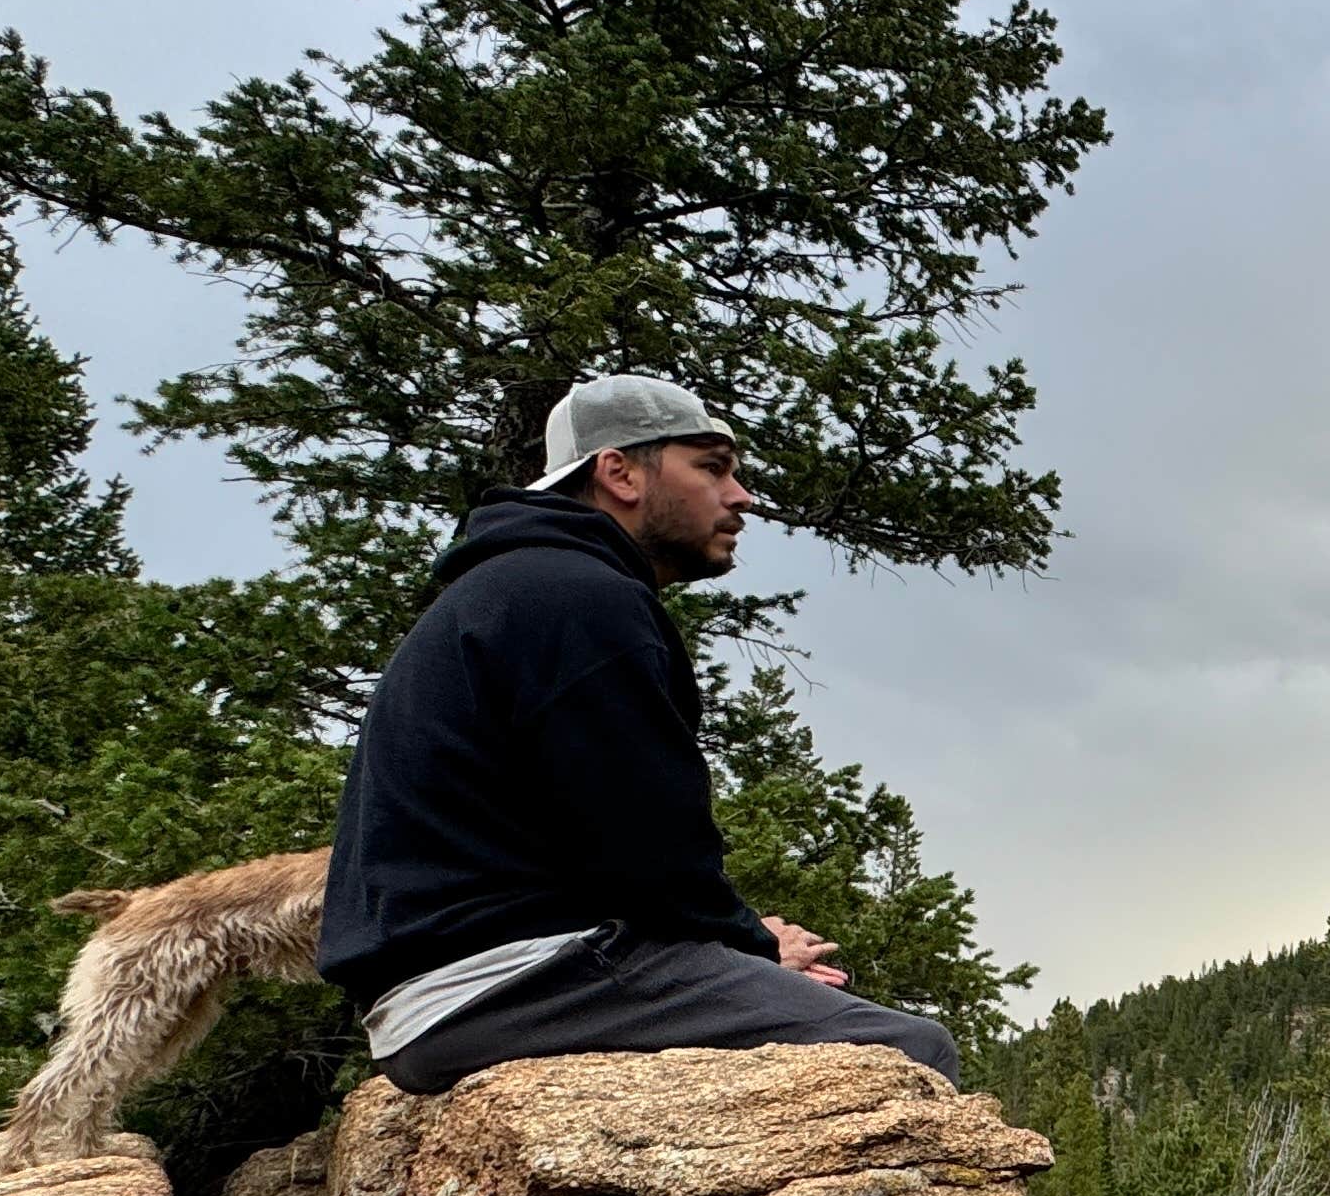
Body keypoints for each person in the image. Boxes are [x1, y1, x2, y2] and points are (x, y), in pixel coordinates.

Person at [317, 372, 962, 1093]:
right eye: (712, 468)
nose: (740, 496)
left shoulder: (512, 589)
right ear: (619, 471)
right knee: (904, 1054)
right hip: (517, 982)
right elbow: (645, 845)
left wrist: (737, 942)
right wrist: (752, 945)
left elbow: (590, 841)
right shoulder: (580, 598)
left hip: (451, 990)